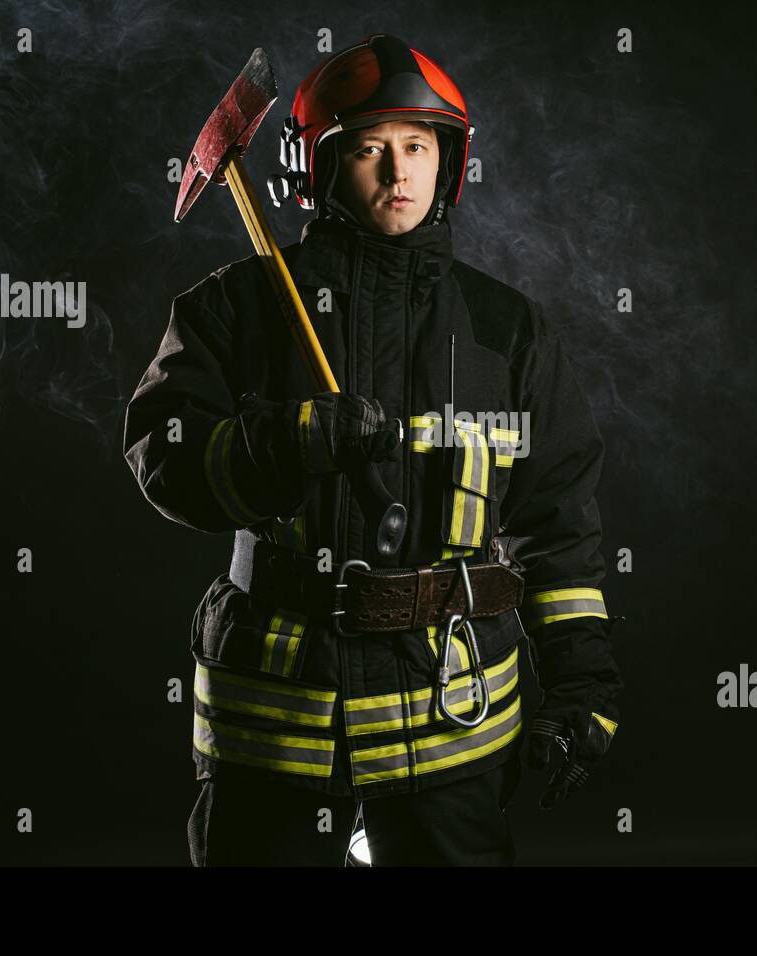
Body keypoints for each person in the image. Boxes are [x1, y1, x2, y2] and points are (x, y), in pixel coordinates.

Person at [123, 33, 623, 866]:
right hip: (277, 722)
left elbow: (558, 523)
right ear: (317, 169)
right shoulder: (235, 309)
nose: (399, 174)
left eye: (419, 147)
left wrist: (582, 685)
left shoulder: (509, 333)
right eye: (368, 149)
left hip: (448, 720)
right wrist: (286, 442)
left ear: (449, 163)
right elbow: (162, 456)